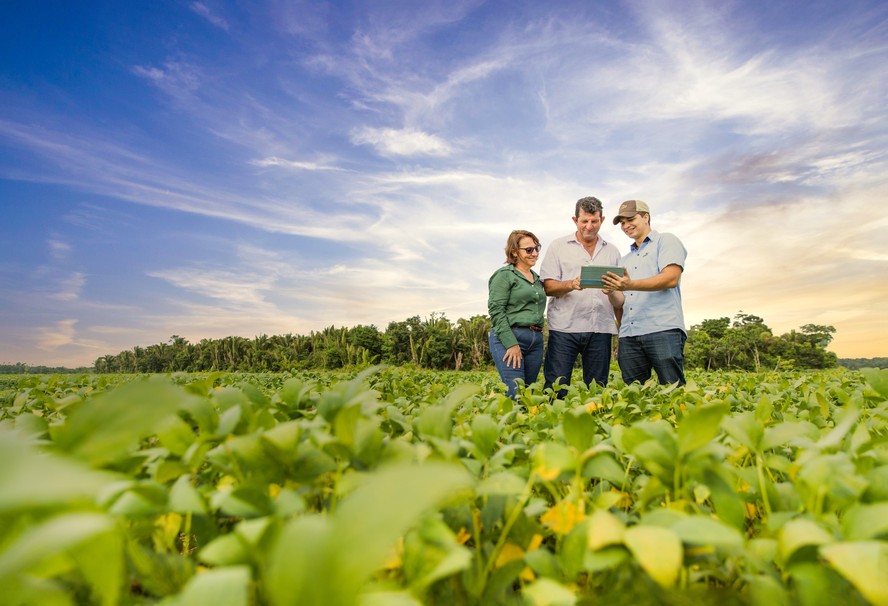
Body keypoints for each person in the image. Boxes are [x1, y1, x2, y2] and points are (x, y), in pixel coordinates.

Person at [539, 196, 622, 397]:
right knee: (556, 387)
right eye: (584, 221)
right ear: (575, 220)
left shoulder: (612, 251)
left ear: (601, 220)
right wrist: (571, 284)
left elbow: (620, 296)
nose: (589, 226)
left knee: (596, 389)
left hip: (600, 328)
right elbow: (548, 287)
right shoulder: (558, 246)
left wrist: (612, 290)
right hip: (564, 329)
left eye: (594, 221)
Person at [601, 199, 688, 386]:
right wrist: (610, 291)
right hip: (629, 334)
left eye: (630, 219)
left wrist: (630, 284)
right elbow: (619, 301)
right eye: (622, 222)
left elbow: (670, 278)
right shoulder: (624, 259)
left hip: (662, 329)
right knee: (634, 394)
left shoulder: (666, 240)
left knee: (673, 388)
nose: (626, 225)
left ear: (646, 217)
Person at [487, 230, 547, 399]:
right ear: (514, 252)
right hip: (511, 337)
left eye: (537, 248)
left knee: (528, 394)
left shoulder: (537, 279)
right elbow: (496, 310)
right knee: (516, 393)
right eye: (529, 250)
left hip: (535, 339)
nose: (534, 253)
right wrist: (511, 344)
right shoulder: (505, 275)